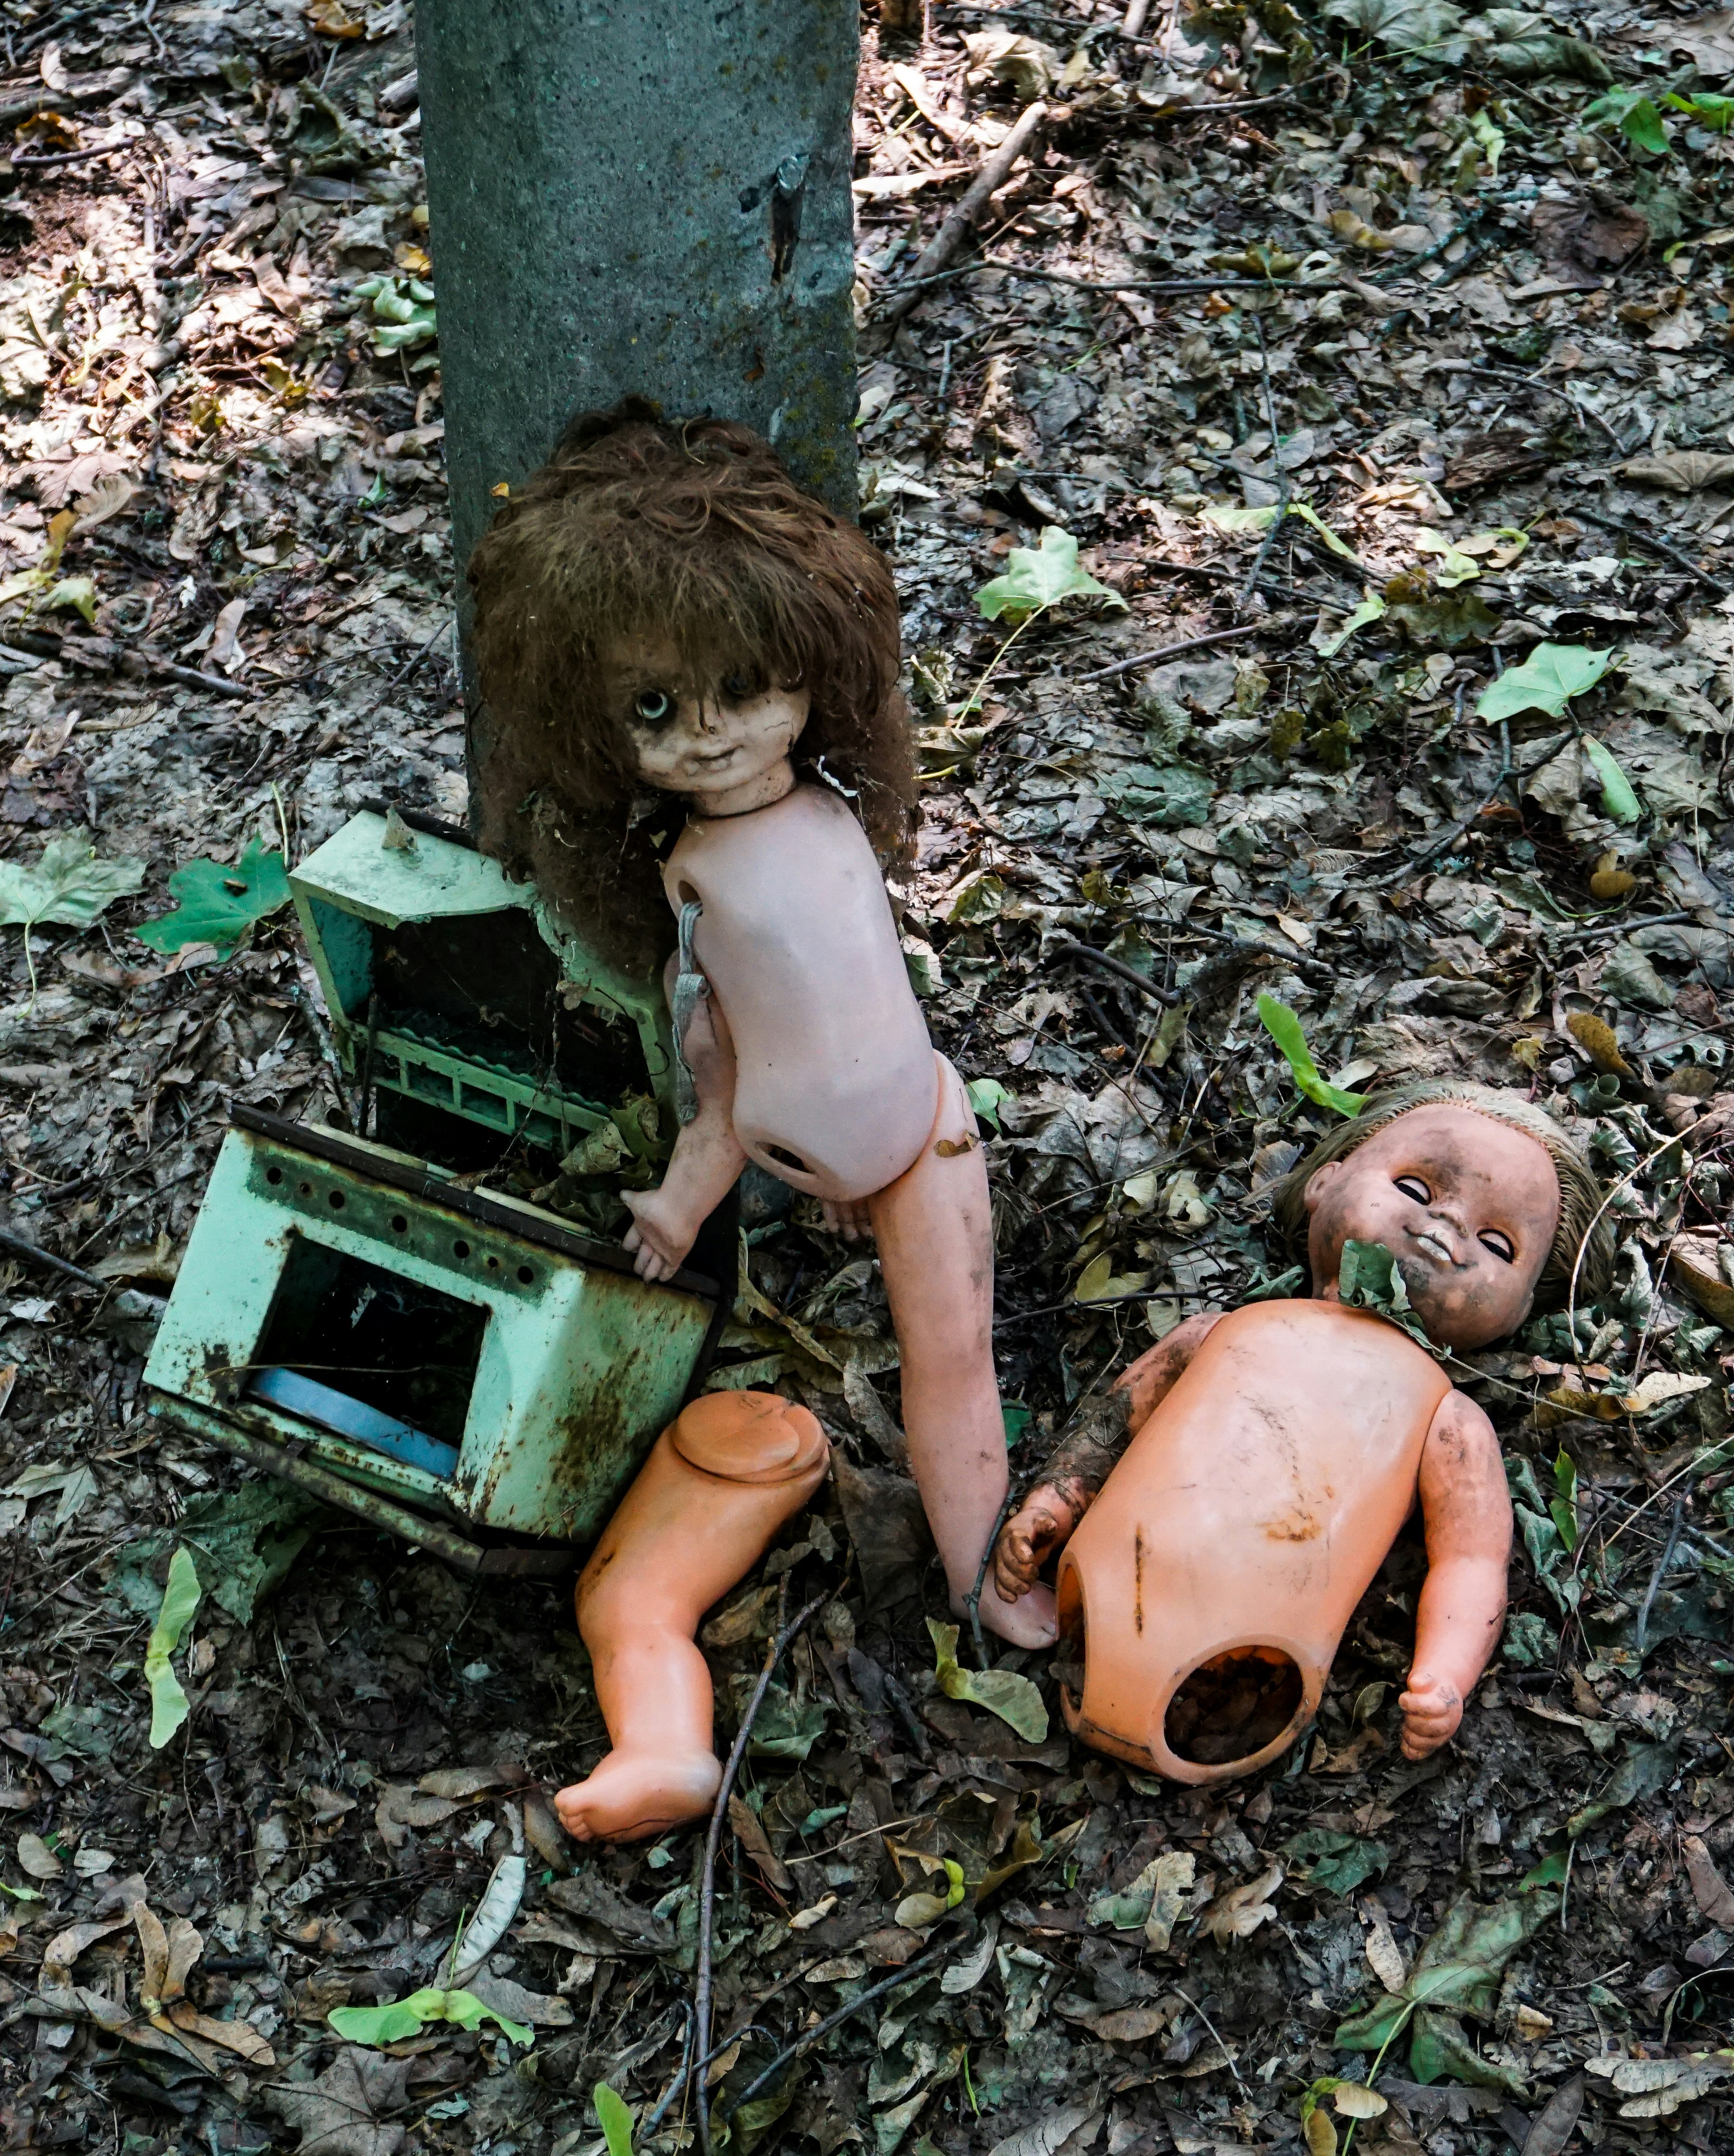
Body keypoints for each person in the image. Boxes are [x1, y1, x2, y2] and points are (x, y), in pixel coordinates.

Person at [469, 403, 1053, 1668]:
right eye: (658, 707)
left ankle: (982, 1580)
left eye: (745, 686)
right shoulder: (692, 875)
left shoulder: (837, 813)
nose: (712, 731)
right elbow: (723, 1062)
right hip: (804, 1143)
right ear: (600, 723)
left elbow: (860, 992)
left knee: (951, 1361)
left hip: (922, 1130)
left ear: (810, 668)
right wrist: (683, 1201)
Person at [986, 1082, 1611, 1782]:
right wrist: (1054, 1505)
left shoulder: (1448, 1423)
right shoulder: (1222, 1333)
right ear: (1324, 1182)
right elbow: (1117, 1419)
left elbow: (1469, 1563)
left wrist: (1444, 1676)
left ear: (1522, 1310)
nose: (1448, 1226)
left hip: (1260, 1663)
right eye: (1415, 1186)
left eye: (1498, 1243)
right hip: (1104, 1585)